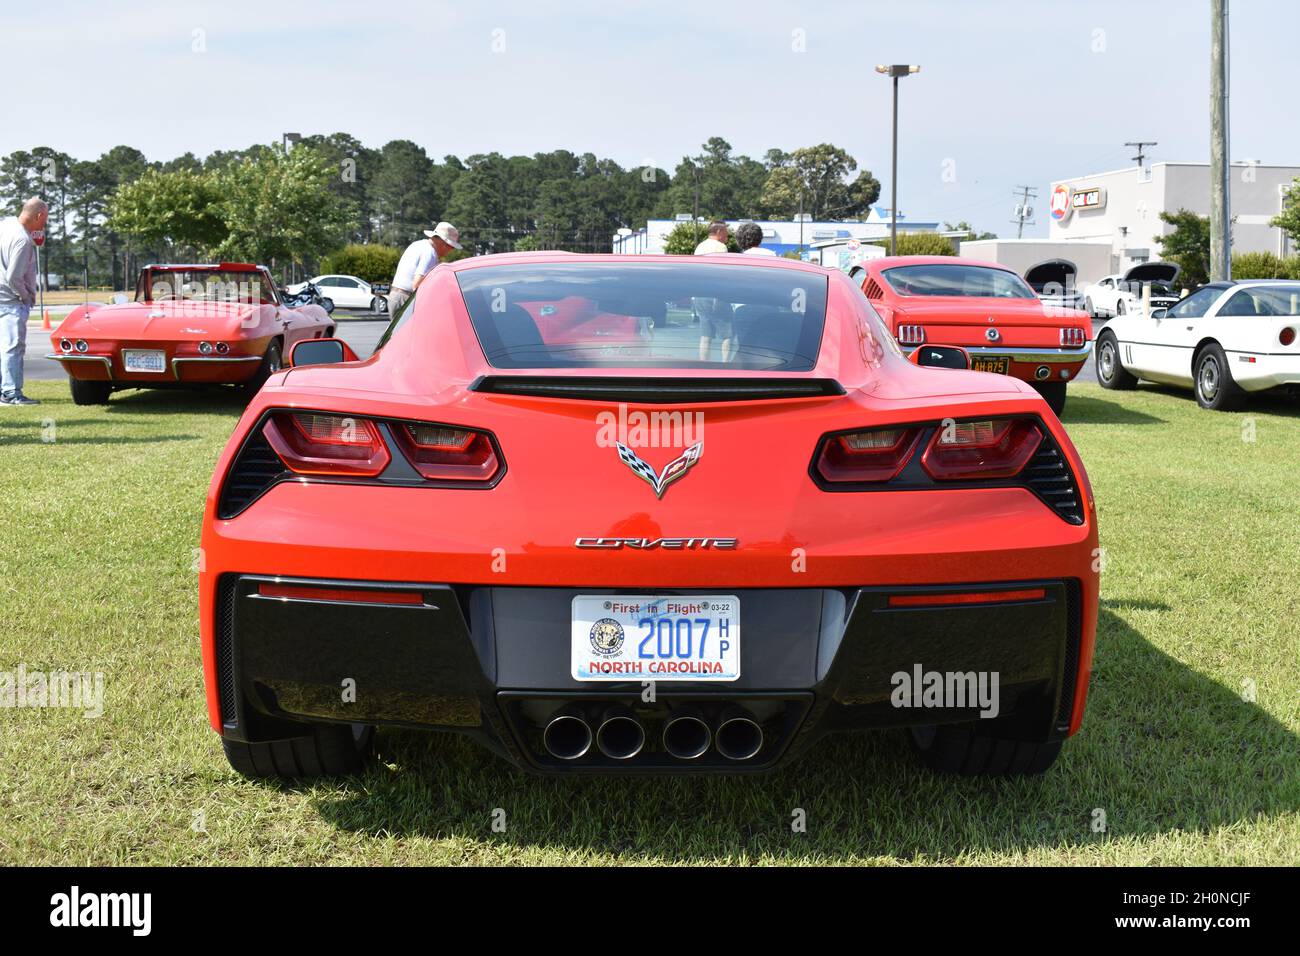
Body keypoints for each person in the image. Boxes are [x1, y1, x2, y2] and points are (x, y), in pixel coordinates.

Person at [0, 197, 48, 406]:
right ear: (38, 216)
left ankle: (4, 390)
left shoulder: (6, 225)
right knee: (13, 347)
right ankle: (11, 393)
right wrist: (25, 295)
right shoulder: (23, 240)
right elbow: (14, 277)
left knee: (3, 348)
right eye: (45, 218)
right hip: (11, 301)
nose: (45, 223)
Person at [388, 221, 462, 315]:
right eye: (451, 247)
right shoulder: (430, 253)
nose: (450, 250)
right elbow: (417, 285)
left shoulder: (418, 244)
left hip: (396, 296)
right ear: (444, 244)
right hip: (405, 298)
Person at [693, 221, 731, 361]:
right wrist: (719, 296)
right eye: (726, 232)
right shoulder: (720, 247)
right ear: (719, 232)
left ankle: (703, 365)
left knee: (706, 335)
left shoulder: (700, 246)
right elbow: (720, 273)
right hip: (716, 295)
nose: (727, 236)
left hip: (700, 295)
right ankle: (725, 366)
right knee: (727, 334)